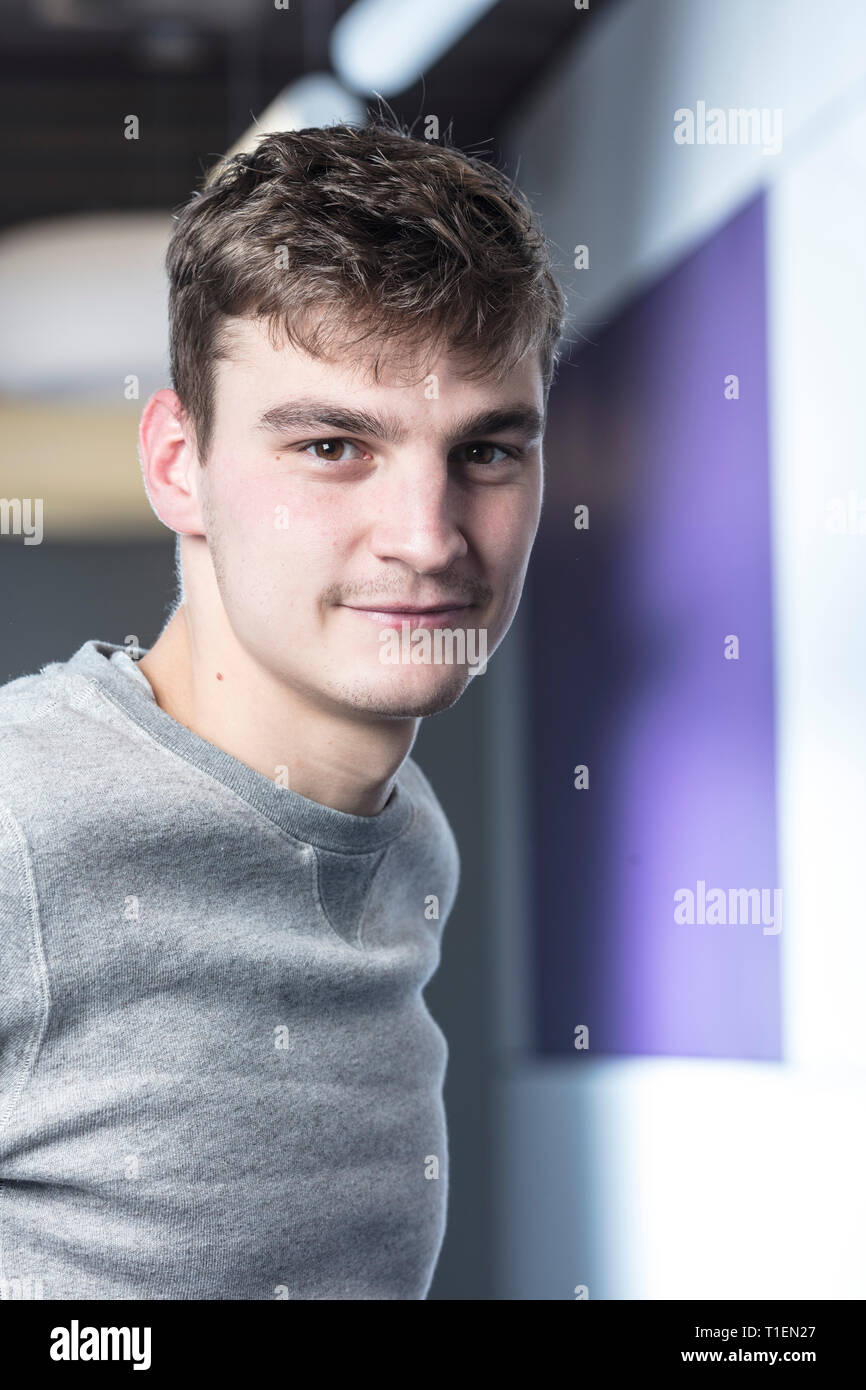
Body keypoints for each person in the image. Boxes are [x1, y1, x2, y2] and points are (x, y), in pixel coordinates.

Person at [0, 117, 565, 1300]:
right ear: (176, 463)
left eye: (486, 451)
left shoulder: (403, 837)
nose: (426, 538)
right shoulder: (20, 832)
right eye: (329, 445)